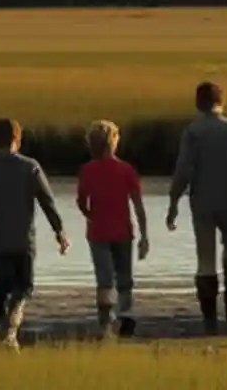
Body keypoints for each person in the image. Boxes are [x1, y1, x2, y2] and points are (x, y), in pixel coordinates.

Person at [166, 81, 227, 333]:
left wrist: (174, 201)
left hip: (202, 201)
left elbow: (184, 169)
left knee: (205, 256)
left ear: (198, 103)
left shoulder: (193, 132)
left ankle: (209, 313)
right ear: (222, 101)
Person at [0, 117, 70, 349]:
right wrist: (59, 230)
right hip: (22, 239)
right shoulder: (30, 167)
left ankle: (4, 326)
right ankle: (11, 327)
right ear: (18, 139)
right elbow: (47, 201)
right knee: (23, 287)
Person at [75, 120, 150, 339]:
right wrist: (144, 235)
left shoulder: (87, 170)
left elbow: (81, 201)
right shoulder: (126, 170)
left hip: (98, 232)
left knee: (104, 277)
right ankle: (125, 313)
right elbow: (138, 205)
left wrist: (90, 215)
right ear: (114, 142)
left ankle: (106, 320)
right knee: (124, 276)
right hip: (123, 231)